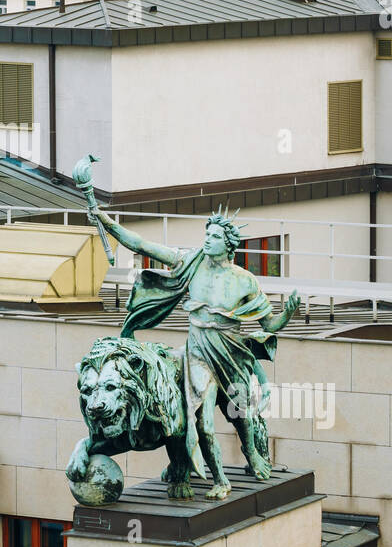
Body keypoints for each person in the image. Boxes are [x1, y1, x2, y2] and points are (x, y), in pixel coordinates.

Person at [88, 204, 300, 498]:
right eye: (207, 235)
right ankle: (220, 480)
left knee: (240, 414)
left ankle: (252, 453)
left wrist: (287, 314)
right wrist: (105, 220)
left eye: (214, 237)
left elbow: (271, 323)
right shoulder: (191, 262)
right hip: (198, 353)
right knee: (203, 423)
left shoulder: (245, 280)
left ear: (227, 245)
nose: (207, 241)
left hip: (229, 352)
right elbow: (139, 244)